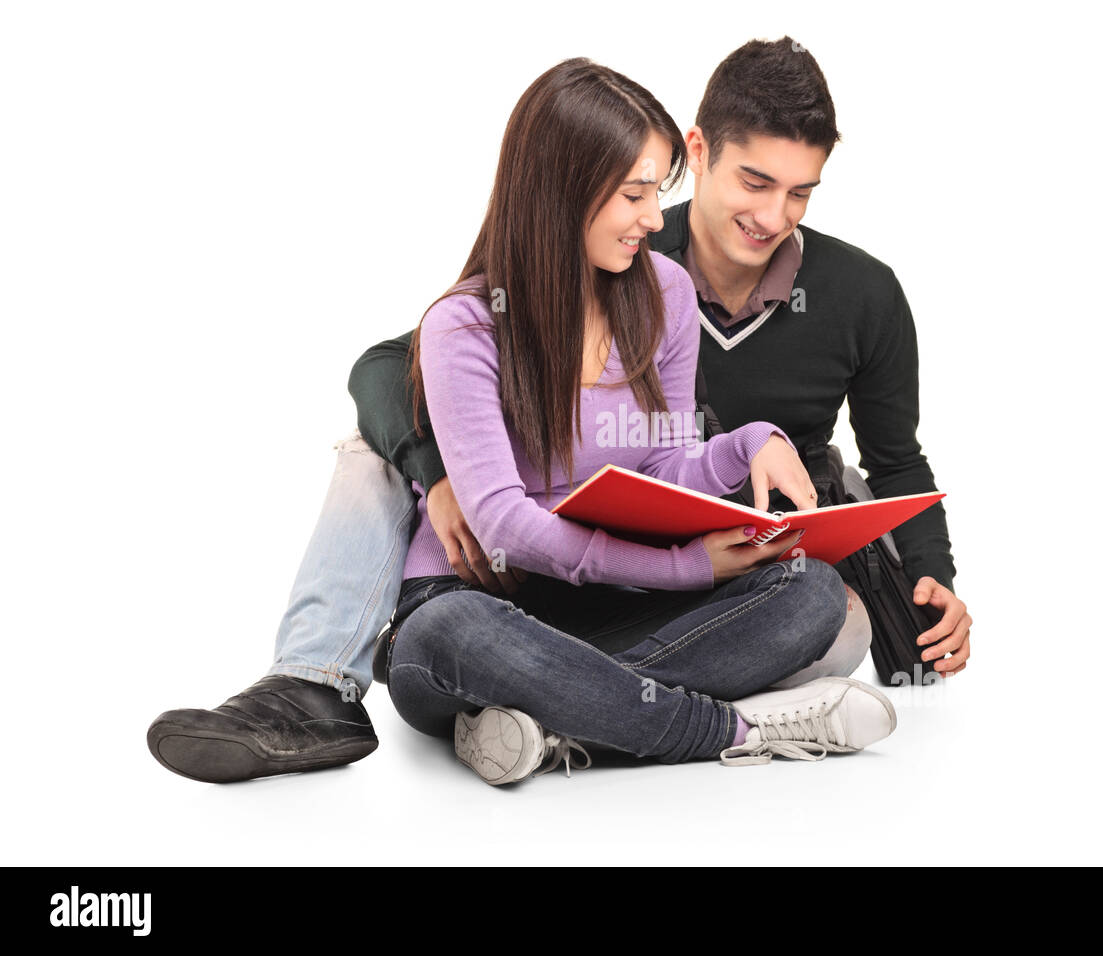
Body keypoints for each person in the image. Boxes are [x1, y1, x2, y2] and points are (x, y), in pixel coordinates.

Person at [147, 37, 966, 784]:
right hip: (496, 599)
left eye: (801, 193)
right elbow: (494, 516)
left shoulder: (664, 290)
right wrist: (441, 480)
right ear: (566, 189)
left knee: (815, 600)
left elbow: (667, 457)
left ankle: (547, 717)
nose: (655, 219)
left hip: (615, 606)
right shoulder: (468, 322)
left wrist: (753, 441)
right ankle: (727, 730)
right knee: (444, 635)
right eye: (637, 194)